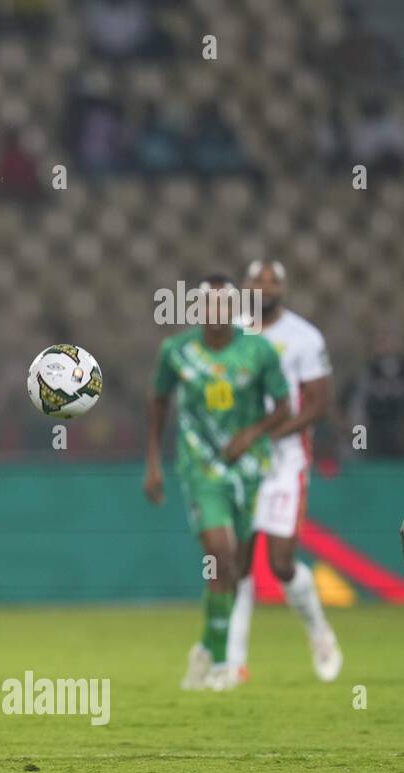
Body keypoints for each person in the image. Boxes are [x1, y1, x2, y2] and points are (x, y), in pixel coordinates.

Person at [144, 274, 291, 691]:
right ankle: (224, 663)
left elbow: (284, 407)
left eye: (224, 304)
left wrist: (251, 433)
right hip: (200, 467)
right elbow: (157, 402)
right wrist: (154, 462)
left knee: (238, 567)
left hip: (247, 470)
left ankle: (206, 648)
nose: (216, 312)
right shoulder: (177, 352)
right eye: (208, 305)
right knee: (220, 554)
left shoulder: (258, 350)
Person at [226, 259, 341, 683]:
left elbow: (317, 404)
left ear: (284, 290)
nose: (264, 287)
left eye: (273, 281)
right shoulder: (229, 331)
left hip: (285, 459)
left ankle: (319, 632)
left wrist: (263, 435)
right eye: (257, 280)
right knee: (236, 560)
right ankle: (233, 662)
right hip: (240, 460)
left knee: (280, 563)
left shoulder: (304, 337)